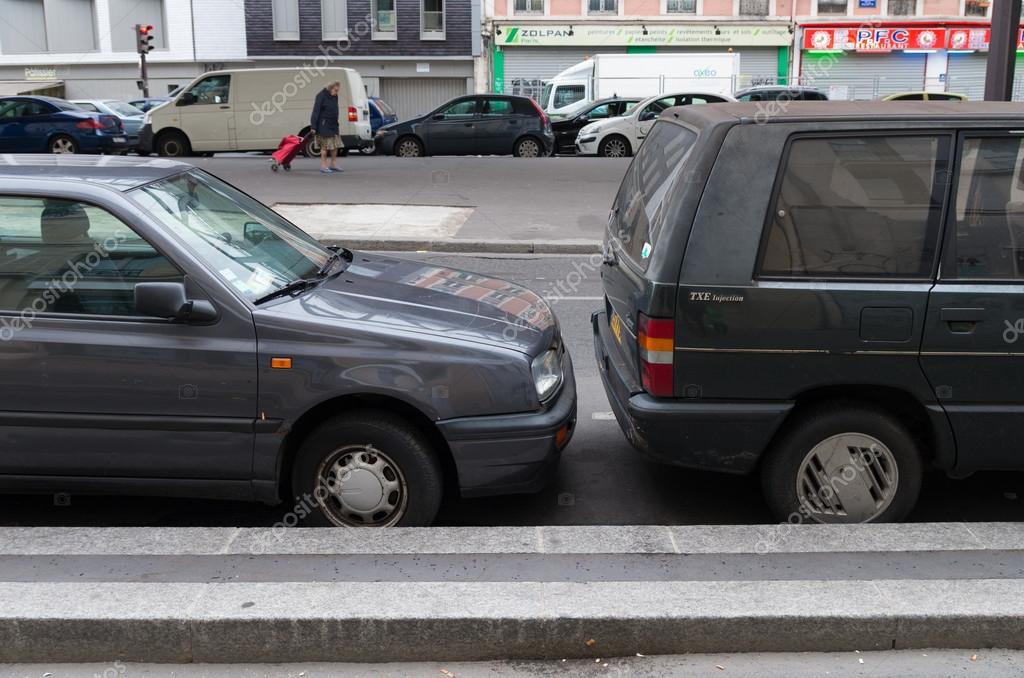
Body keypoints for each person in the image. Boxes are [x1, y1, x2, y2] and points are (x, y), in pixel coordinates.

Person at [310, 81, 344, 174]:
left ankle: (333, 164)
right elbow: (315, 111)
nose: (337, 93)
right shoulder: (321, 96)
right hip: (323, 125)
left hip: (333, 125)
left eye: (337, 91)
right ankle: (323, 166)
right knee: (324, 147)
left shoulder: (334, 96)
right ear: (330, 88)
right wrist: (313, 126)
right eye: (335, 90)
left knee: (335, 146)